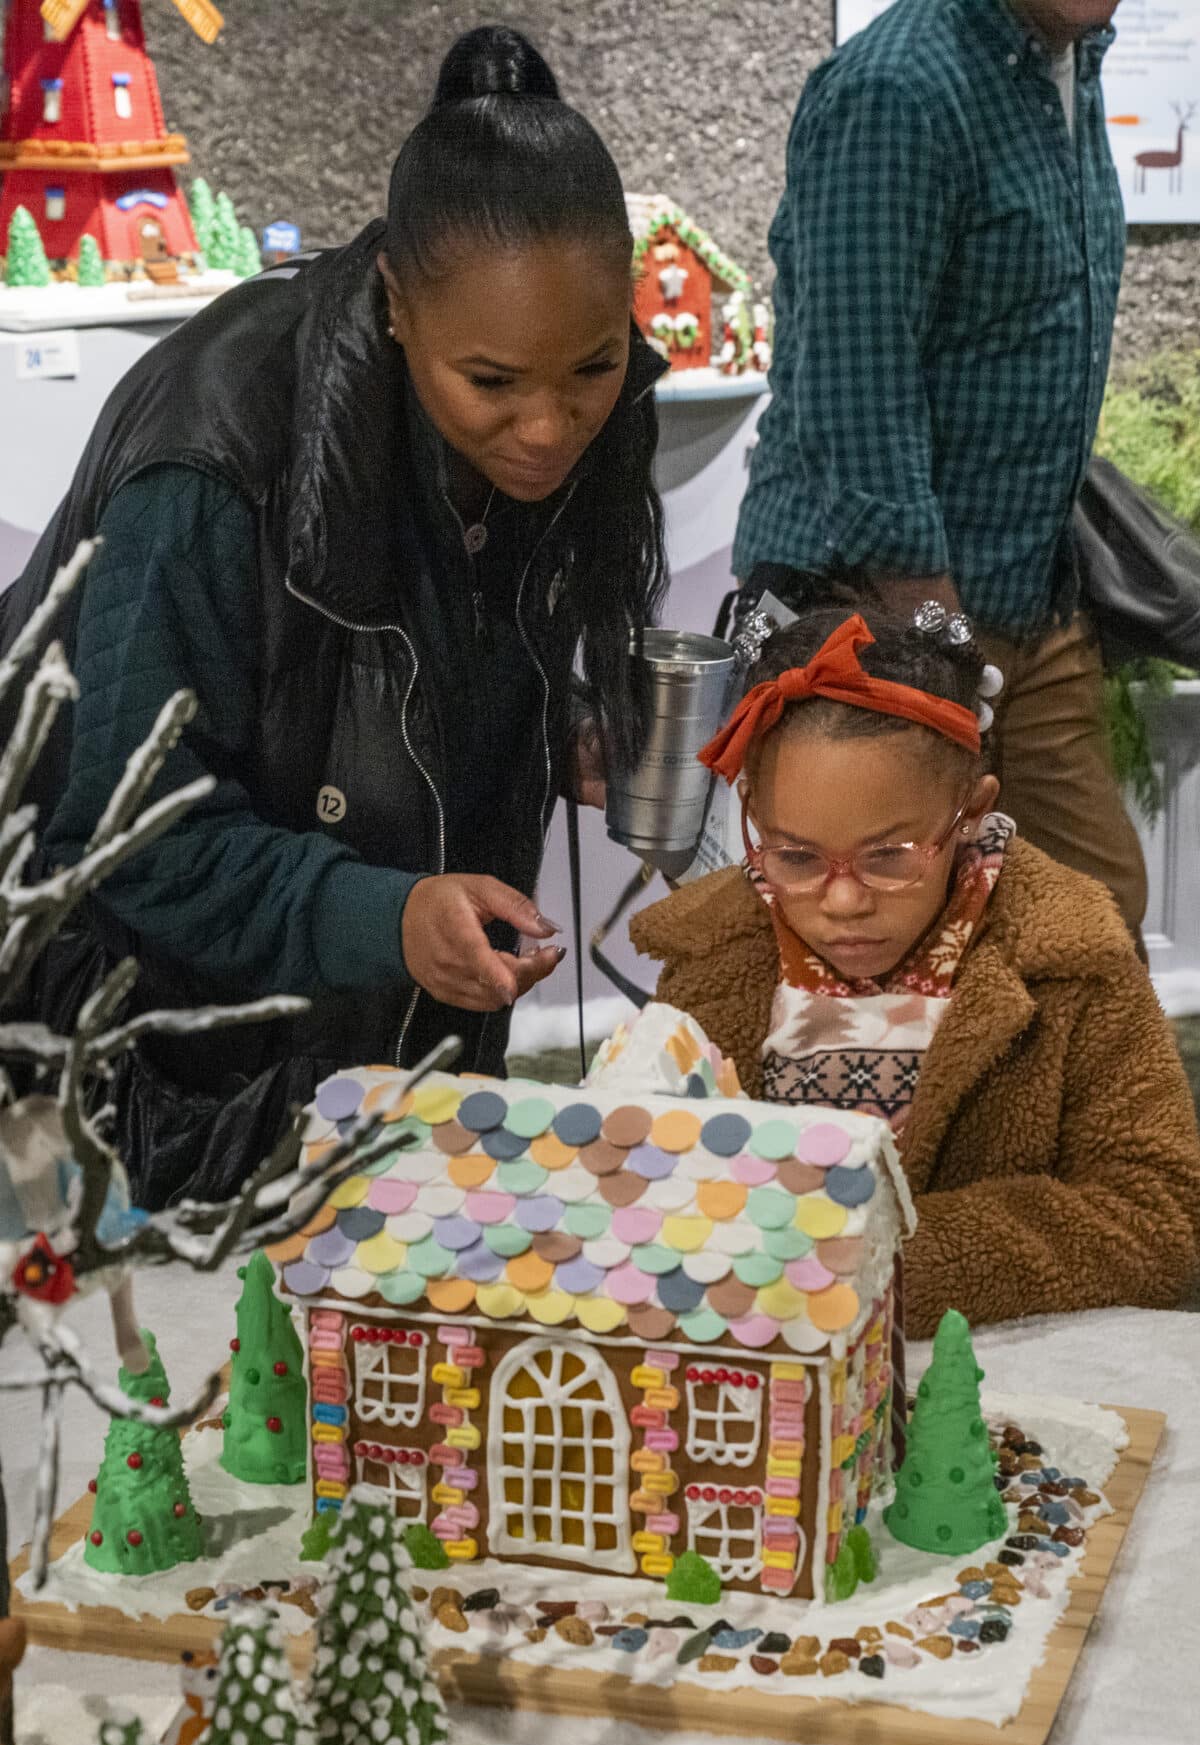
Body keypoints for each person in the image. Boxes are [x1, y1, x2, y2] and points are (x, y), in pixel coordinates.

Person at [0, 26, 667, 1210]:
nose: (552, 427)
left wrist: (561, 726)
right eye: (494, 383)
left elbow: (426, 658)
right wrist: (384, 913)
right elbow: (123, 836)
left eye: (592, 369)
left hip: (384, 1069)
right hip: (125, 1056)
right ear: (397, 304)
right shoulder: (210, 456)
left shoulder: (585, 412)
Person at [631, 591, 1200, 1337]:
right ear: (755, 817)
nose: (841, 901)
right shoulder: (710, 959)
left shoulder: (1070, 962)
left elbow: (1161, 1216)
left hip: (1006, 1384)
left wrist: (872, 1262)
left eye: (888, 857)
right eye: (795, 856)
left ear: (971, 813)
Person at [732, 0, 1148, 941]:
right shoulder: (899, 88)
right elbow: (856, 385)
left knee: (1094, 919)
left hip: (1026, 599)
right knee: (874, 946)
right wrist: (941, 651)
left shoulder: (1066, 62)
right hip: (881, 606)